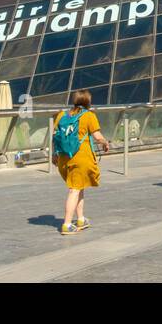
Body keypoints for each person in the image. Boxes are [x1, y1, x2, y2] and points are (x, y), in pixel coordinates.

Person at [52, 89, 112, 236]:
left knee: (79, 186)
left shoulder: (61, 115)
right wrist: (105, 142)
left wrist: (54, 154)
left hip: (64, 158)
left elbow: (55, 136)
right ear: (88, 102)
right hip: (80, 158)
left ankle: (80, 219)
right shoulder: (89, 116)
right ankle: (66, 224)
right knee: (74, 189)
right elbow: (97, 136)